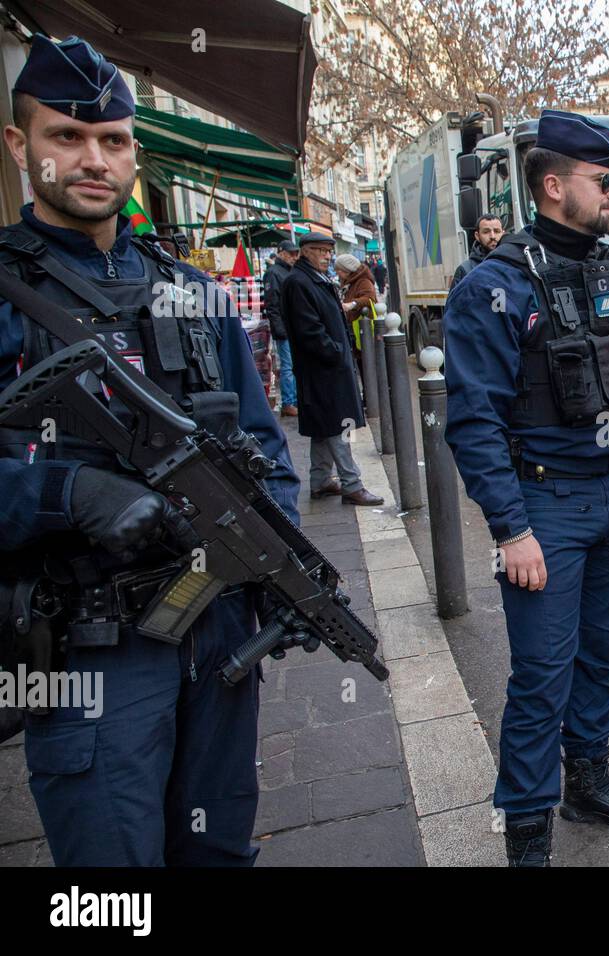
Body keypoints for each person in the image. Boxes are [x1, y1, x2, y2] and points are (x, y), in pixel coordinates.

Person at [0, 34, 302, 865]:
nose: (94, 159)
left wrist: (278, 564)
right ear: (20, 146)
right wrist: (72, 496)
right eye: (68, 136)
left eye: (115, 140)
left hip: (213, 625)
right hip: (89, 647)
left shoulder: (192, 291)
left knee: (218, 851)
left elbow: (266, 452)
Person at [443, 109, 609, 867]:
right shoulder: (494, 288)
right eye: (605, 181)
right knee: (541, 678)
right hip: (545, 508)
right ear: (554, 186)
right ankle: (527, 834)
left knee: (599, 657)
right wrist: (510, 529)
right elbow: (474, 421)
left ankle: (588, 780)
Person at [280, 232, 384, 505]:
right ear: (305, 251)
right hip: (322, 368)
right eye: (320, 250)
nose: (327, 256)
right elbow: (309, 330)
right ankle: (352, 484)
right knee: (338, 426)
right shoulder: (299, 282)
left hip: (326, 366)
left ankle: (321, 479)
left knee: (323, 426)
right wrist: (336, 352)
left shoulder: (313, 278)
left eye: (329, 251)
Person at [263, 239, 299, 417]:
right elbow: (272, 304)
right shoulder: (274, 273)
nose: (294, 257)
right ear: (281, 253)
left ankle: (294, 400)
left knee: (294, 365)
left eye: (295, 253)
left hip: (293, 326)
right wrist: (279, 328)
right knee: (288, 366)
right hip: (285, 328)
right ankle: (289, 402)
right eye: (291, 253)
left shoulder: (288, 272)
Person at [335, 252, 378, 358]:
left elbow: (370, 298)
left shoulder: (363, 281)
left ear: (347, 270)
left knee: (365, 361)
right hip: (354, 329)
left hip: (361, 328)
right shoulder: (348, 280)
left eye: (339, 270)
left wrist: (352, 304)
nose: (337, 273)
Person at [451, 214, 504, 290]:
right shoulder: (465, 270)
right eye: (486, 232)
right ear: (477, 236)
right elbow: (455, 301)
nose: (492, 236)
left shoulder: (515, 265)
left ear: (503, 233)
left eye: (497, 231)